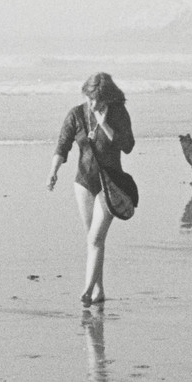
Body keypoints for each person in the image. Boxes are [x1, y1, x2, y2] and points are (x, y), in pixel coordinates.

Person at [46, 72, 136, 306]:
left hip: (111, 184)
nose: (92, 103)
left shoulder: (118, 113)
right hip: (84, 182)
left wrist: (104, 124)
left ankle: (86, 291)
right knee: (93, 240)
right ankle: (99, 290)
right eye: (89, 98)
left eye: (97, 99)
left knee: (96, 238)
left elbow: (128, 146)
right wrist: (53, 171)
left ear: (108, 98)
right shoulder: (76, 114)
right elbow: (62, 146)